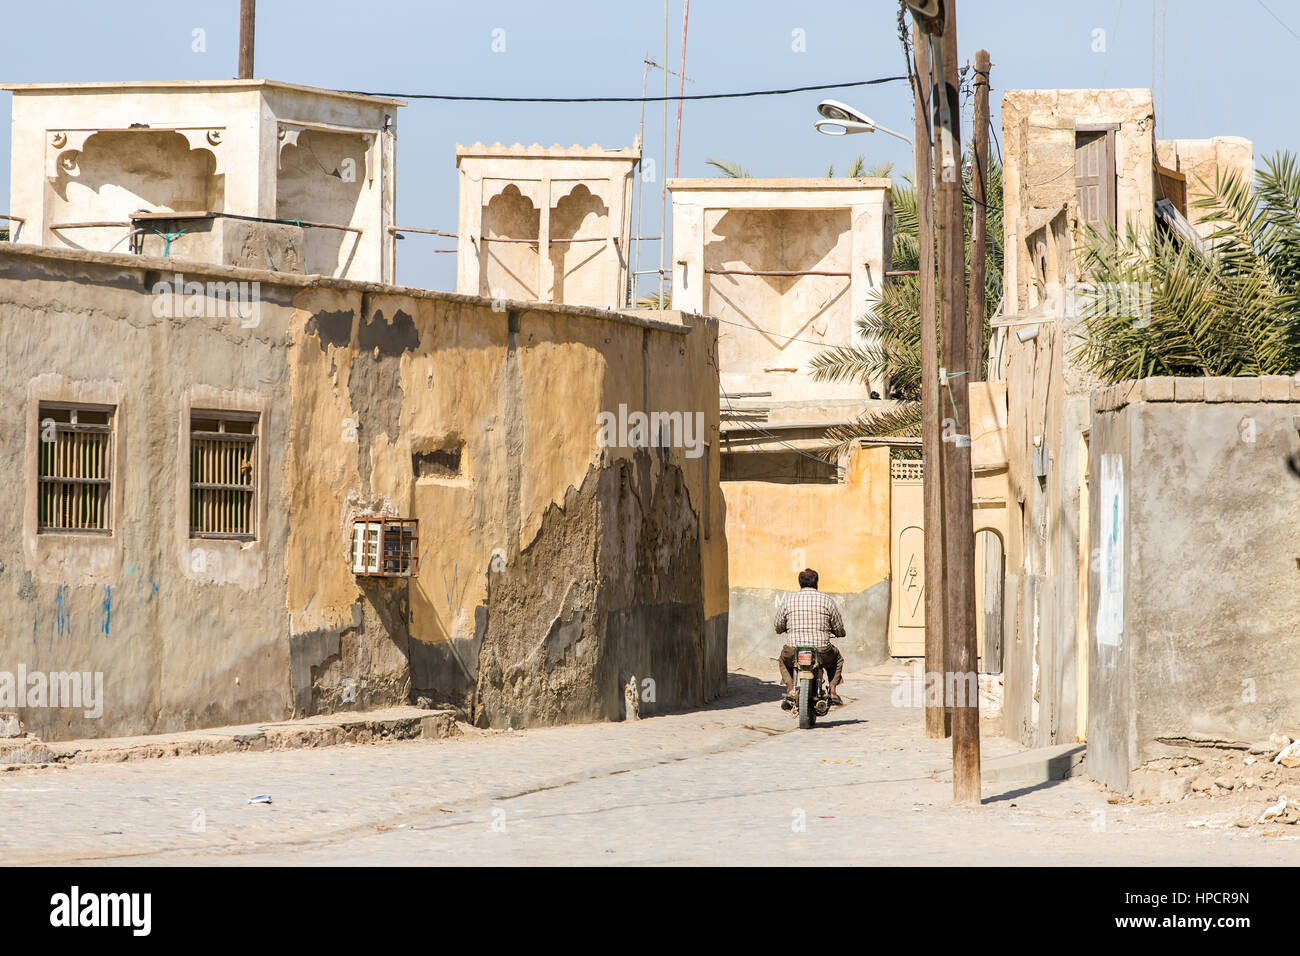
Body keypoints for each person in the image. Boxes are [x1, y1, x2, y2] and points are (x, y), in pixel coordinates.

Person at [774, 568, 846, 707]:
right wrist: (839, 633)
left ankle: (790, 689)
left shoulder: (788, 600)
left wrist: (783, 629)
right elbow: (838, 625)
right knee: (838, 659)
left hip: (793, 650)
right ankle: (832, 691)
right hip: (821, 650)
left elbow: (778, 625)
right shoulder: (827, 600)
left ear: (800, 583)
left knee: (783, 660)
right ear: (816, 582)